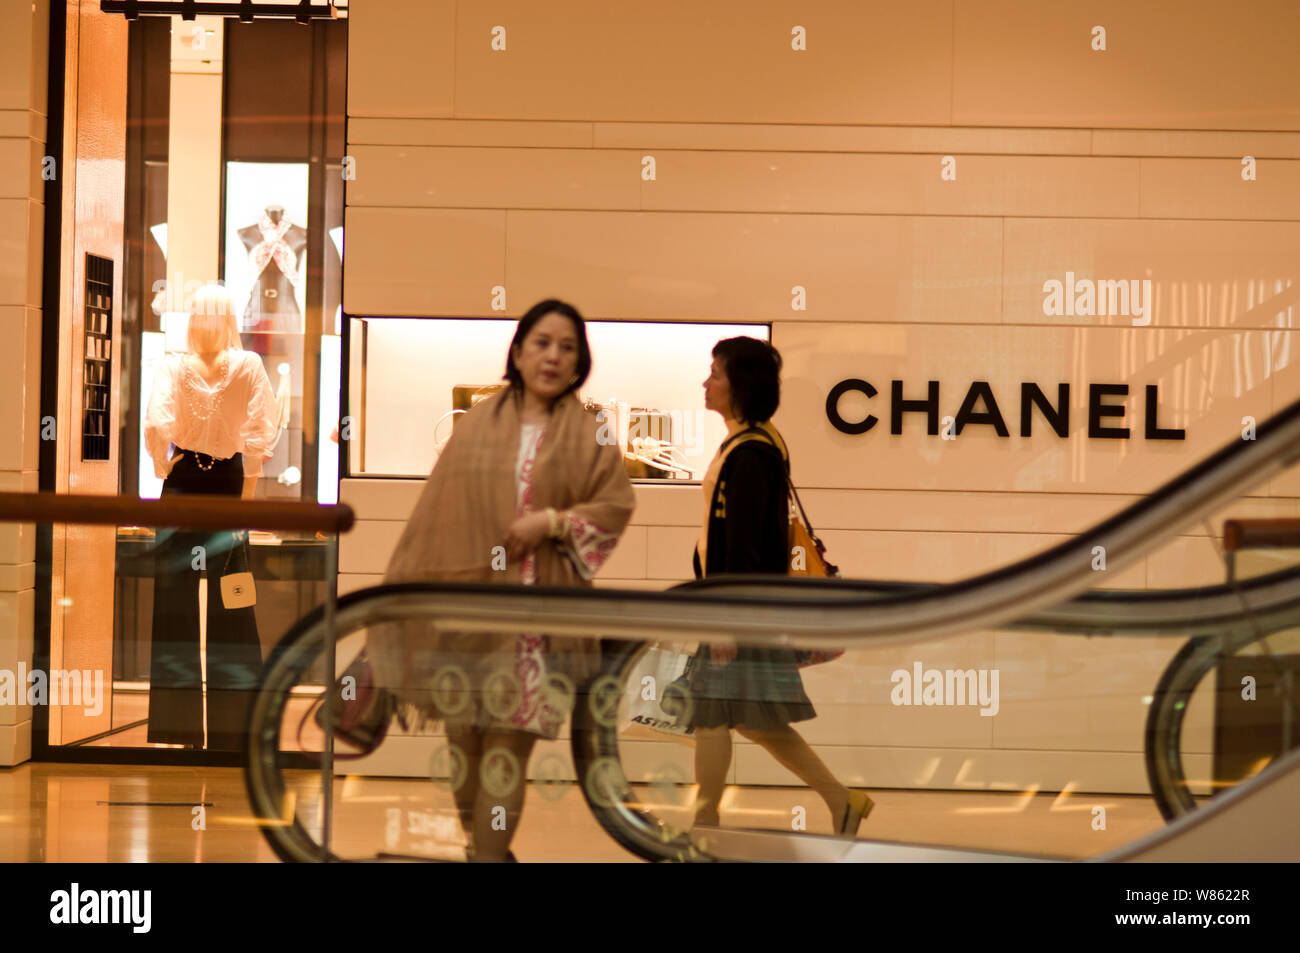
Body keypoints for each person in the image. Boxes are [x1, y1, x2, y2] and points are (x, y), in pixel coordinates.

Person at [369, 299, 636, 861]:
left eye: (567, 347)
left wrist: (554, 522)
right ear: (517, 351)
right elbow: (433, 517)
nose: (554, 357)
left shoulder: (593, 432)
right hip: (468, 615)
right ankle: (485, 849)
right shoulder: (477, 427)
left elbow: (614, 506)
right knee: (464, 751)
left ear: (579, 361)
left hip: (539, 622)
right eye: (542, 343)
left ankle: (487, 856)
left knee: (504, 753)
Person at [686, 336, 874, 836]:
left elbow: (745, 544)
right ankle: (842, 801)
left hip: (734, 610)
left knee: (714, 715)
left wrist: (725, 620)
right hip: (740, 608)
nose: (706, 383)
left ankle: (704, 824)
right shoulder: (756, 442)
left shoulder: (751, 453)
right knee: (751, 719)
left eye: (716, 374)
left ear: (740, 385)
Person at [143, 283, 279, 749]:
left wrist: (165, 462)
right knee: (217, 601)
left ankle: (201, 727)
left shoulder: (214, 365)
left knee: (199, 600)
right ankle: (223, 727)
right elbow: (260, 434)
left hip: (193, 484)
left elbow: (157, 422)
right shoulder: (230, 365)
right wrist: (244, 497)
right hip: (214, 484)